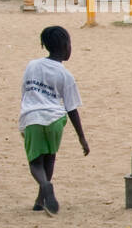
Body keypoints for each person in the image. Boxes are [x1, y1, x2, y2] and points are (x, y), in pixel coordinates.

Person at [20, 26, 89, 215]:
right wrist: (82, 138)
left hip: (32, 117)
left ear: (44, 45)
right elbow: (72, 108)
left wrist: (24, 118)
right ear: (67, 46)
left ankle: (44, 187)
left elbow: (25, 93)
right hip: (55, 120)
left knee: (35, 162)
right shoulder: (65, 75)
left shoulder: (32, 65)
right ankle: (40, 198)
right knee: (50, 157)